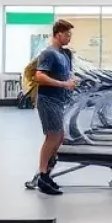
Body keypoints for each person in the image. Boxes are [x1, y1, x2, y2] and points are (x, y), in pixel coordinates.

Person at [32, 19, 78, 196]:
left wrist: (70, 82)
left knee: (59, 137)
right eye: (67, 34)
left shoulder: (64, 54)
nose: (69, 37)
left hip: (59, 100)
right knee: (53, 136)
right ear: (58, 35)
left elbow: (66, 75)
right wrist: (64, 84)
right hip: (48, 100)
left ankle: (47, 172)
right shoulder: (49, 53)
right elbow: (40, 76)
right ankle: (42, 175)